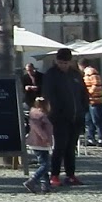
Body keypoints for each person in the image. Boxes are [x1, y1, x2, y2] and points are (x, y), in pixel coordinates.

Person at [41, 47, 89, 186]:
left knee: (71, 147)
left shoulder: (75, 74)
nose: (63, 65)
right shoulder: (51, 75)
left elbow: (83, 92)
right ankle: (54, 175)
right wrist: (55, 113)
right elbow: (49, 95)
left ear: (70, 62)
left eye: (66, 63)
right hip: (59, 117)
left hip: (76, 116)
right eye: (61, 62)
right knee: (60, 146)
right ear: (56, 61)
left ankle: (70, 174)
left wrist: (83, 108)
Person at [23, 96, 54, 193]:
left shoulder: (36, 114)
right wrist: (45, 138)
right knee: (45, 165)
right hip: (39, 143)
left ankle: (46, 184)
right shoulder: (39, 116)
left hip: (39, 143)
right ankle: (32, 180)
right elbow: (38, 129)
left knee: (44, 163)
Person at [82, 62, 102, 146]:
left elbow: (96, 84)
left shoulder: (91, 72)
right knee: (89, 120)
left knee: (97, 120)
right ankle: (90, 137)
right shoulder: (86, 73)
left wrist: (88, 93)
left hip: (94, 100)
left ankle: (101, 138)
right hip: (89, 100)